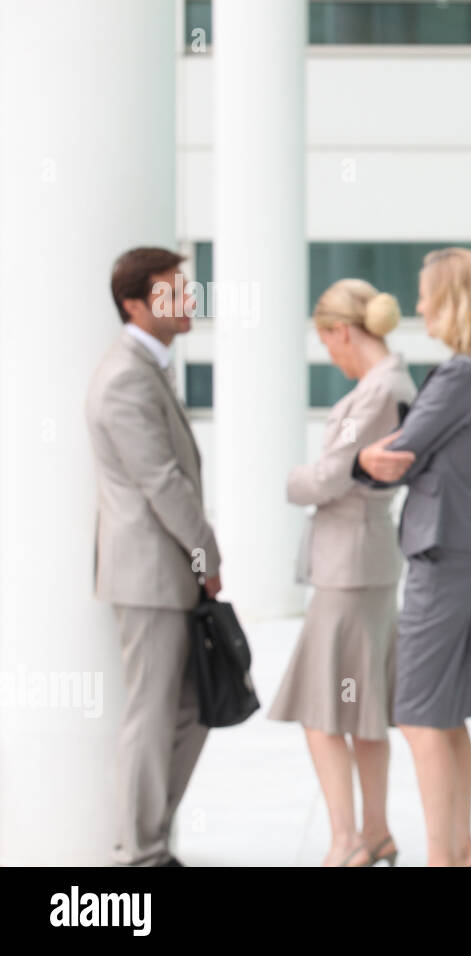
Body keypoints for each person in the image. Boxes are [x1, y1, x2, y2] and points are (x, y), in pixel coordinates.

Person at [355, 247, 471, 867]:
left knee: (418, 715)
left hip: (440, 561)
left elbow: (399, 455)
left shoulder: (461, 375)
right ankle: (458, 855)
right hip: (456, 557)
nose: (418, 306)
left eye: (428, 293)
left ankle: (446, 859)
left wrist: (366, 459)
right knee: (442, 713)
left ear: (455, 299)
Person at [268, 279, 416, 866]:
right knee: (362, 712)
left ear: (341, 331)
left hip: (349, 569)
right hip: (364, 562)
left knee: (322, 711)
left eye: (327, 342)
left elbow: (327, 477)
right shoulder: (393, 383)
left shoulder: (378, 390)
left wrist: (294, 480)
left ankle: (346, 840)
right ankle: (373, 833)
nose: (330, 354)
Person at [86, 247, 222, 866]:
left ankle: (153, 839)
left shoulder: (150, 368)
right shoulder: (124, 378)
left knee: (190, 708)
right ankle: (139, 854)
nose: (187, 299)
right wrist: (207, 554)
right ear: (135, 305)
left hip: (168, 573)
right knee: (152, 712)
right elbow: (163, 481)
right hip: (148, 574)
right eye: (172, 293)